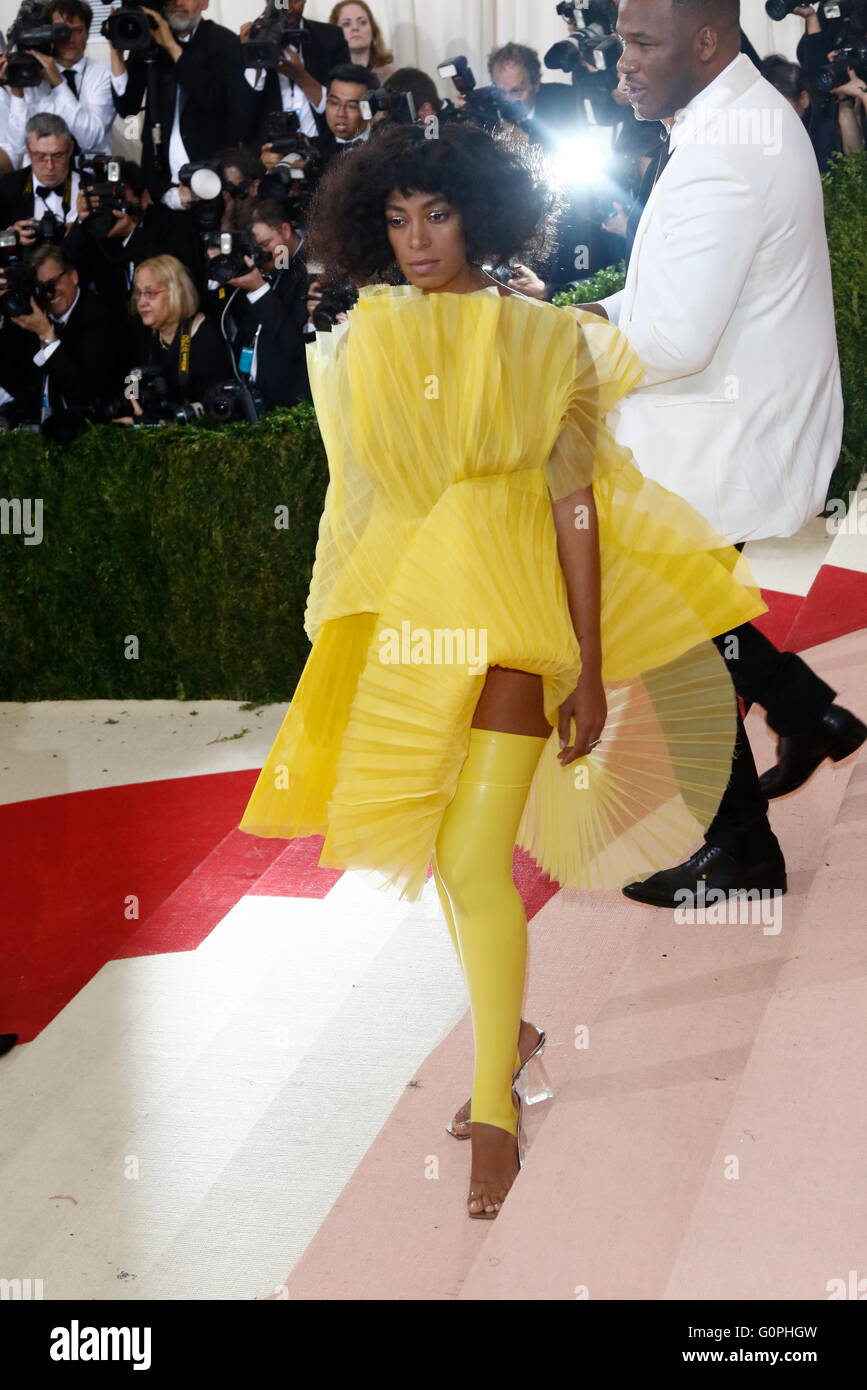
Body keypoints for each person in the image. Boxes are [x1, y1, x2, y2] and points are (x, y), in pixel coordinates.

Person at [237, 118, 767, 1219]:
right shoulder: (365, 339)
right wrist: (348, 626)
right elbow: (364, 501)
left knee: (474, 855)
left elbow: (575, 501)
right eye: (396, 217)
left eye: (437, 212)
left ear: (480, 209)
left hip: (516, 610)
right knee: (441, 843)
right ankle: (512, 1032)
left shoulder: (543, 337)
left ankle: (495, 1104)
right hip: (414, 615)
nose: (419, 237)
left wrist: (585, 654)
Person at [578, 0, 865, 907]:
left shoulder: (722, 154)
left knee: (672, 638)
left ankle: (742, 847)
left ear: (707, 42)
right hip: (725, 424)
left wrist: (538, 345)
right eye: (620, 39)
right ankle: (801, 712)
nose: (619, 62)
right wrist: (585, 315)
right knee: (689, 622)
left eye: (640, 43)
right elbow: (667, 301)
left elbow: (670, 341)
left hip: (718, 437)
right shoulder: (729, 115)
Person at [109, 0, 248, 201]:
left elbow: (210, 98)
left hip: (213, 181)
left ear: (205, 3)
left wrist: (172, 47)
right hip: (162, 187)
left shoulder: (224, 42)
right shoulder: (149, 41)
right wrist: (116, 53)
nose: (177, 2)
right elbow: (127, 106)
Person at [7, 243, 126, 428]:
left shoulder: (100, 318)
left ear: (73, 276)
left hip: (93, 431)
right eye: (41, 287)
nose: (49, 293)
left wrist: (47, 336)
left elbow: (83, 394)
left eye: (52, 283)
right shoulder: (33, 318)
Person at [118, 254, 232, 420]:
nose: (141, 302)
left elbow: (216, 413)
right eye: (139, 293)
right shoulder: (142, 331)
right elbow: (133, 380)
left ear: (176, 293)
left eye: (150, 293)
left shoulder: (205, 335)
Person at [1, 1, 115, 165]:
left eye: (78, 30)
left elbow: (90, 139)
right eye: (61, 32)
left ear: (88, 33)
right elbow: (18, 146)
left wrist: (59, 84)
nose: (70, 38)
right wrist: (17, 93)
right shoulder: (30, 74)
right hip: (42, 176)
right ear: (47, 34)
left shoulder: (101, 73)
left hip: (89, 174)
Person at [241, 0, 350, 156]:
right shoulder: (245, 42)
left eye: (295, 0)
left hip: (324, 151)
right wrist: (254, 58)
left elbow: (346, 107)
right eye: (282, 1)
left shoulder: (331, 38)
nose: (289, 7)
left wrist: (300, 76)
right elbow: (242, 124)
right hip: (269, 154)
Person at [0, 114, 80, 240]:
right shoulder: (8, 186)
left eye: (58, 156)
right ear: (28, 151)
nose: (49, 166)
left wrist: (81, 232)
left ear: (70, 149)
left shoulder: (89, 188)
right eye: (40, 156)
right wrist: (12, 236)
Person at [328, 1, 396, 84]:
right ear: (333, 31)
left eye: (362, 22)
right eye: (346, 24)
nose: (355, 28)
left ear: (373, 29)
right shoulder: (326, 73)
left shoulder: (391, 74)